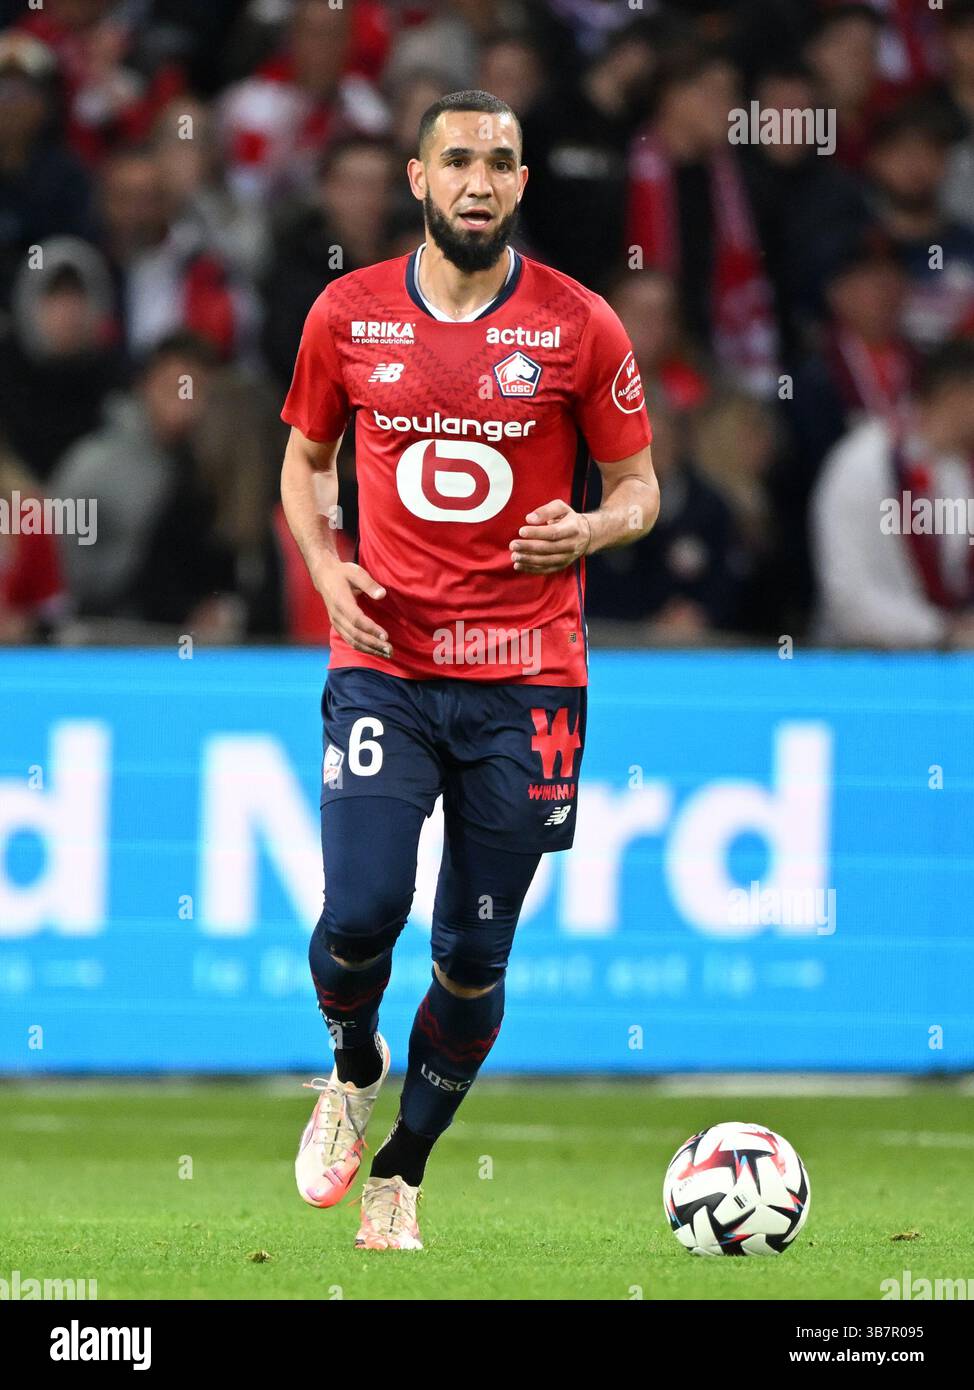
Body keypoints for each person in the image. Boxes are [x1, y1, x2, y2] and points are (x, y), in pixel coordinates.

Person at [280, 89, 658, 1250]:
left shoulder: (580, 326)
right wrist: (327, 566)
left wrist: (587, 530)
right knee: (359, 913)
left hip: (528, 679)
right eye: (457, 160)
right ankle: (351, 1064)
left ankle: (403, 1167)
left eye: (499, 160)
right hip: (385, 665)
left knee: (471, 951)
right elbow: (302, 463)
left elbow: (640, 490)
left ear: (522, 185)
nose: (478, 180)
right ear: (417, 179)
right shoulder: (346, 316)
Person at [811, 340, 974, 649]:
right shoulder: (861, 464)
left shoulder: (962, 471)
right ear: (958, 395)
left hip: (954, 668)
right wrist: (942, 632)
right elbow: (848, 599)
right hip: (862, 670)